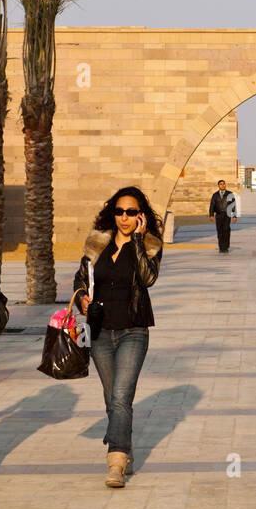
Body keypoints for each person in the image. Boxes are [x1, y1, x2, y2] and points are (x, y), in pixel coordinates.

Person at [73, 186, 163, 488]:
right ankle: (127, 450)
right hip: (99, 331)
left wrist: (137, 239)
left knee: (122, 398)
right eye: (119, 211)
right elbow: (81, 276)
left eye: (131, 212)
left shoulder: (150, 244)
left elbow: (147, 277)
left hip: (133, 330)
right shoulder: (98, 241)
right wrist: (82, 297)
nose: (124, 217)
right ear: (113, 212)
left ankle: (115, 462)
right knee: (113, 401)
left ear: (141, 216)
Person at [209, 179, 238, 253]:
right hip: (218, 215)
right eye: (221, 184)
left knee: (226, 230)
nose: (223, 185)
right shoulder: (215, 195)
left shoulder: (230, 194)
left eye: (224, 184)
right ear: (218, 186)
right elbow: (212, 205)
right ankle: (221, 247)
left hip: (227, 215)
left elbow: (233, 205)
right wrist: (211, 215)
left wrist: (234, 216)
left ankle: (226, 246)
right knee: (219, 231)